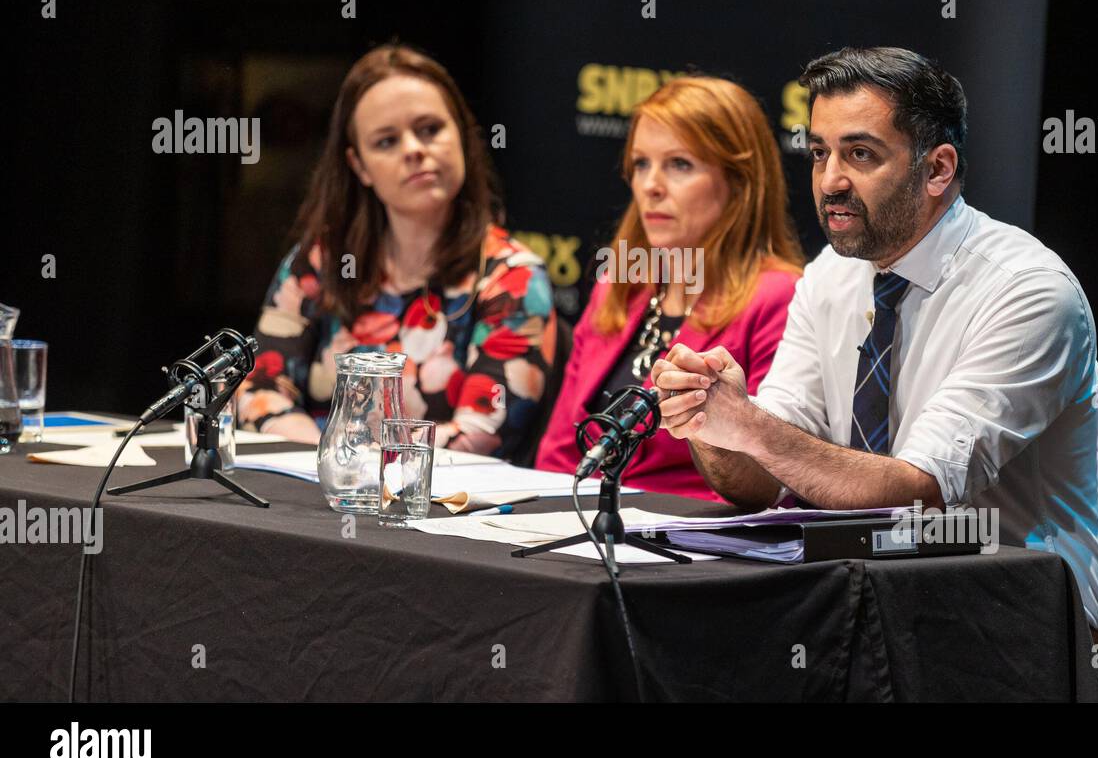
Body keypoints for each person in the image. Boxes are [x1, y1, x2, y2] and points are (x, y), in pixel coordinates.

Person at [652, 47, 1098, 637]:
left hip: (1018, 611)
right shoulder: (830, 273)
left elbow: (916, 499)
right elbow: (762, 481)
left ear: (938, 169)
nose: (830, 181)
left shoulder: (1028, 292)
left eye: (860, 154)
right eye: (820, 153)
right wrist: (710, 424)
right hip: (867, 595)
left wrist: (753, 429)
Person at [238, 44, 558, 460]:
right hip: (314, 500)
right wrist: (333, 461)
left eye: (429, 129)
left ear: (461, 134)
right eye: (387, 141)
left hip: (440, 510)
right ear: (360, 167)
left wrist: (342, 452)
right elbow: (258, 391)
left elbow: (481, 437)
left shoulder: (514, 277)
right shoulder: (321, 260)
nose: (413, 149)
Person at [536, 76, 804, 499]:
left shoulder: (779, 296)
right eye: (641, 164)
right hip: (574, 527)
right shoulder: (621, 283)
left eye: (680, 164)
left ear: (739, 181)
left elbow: (768, 477)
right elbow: (555, 455)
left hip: (690, 543)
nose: (650, 185)